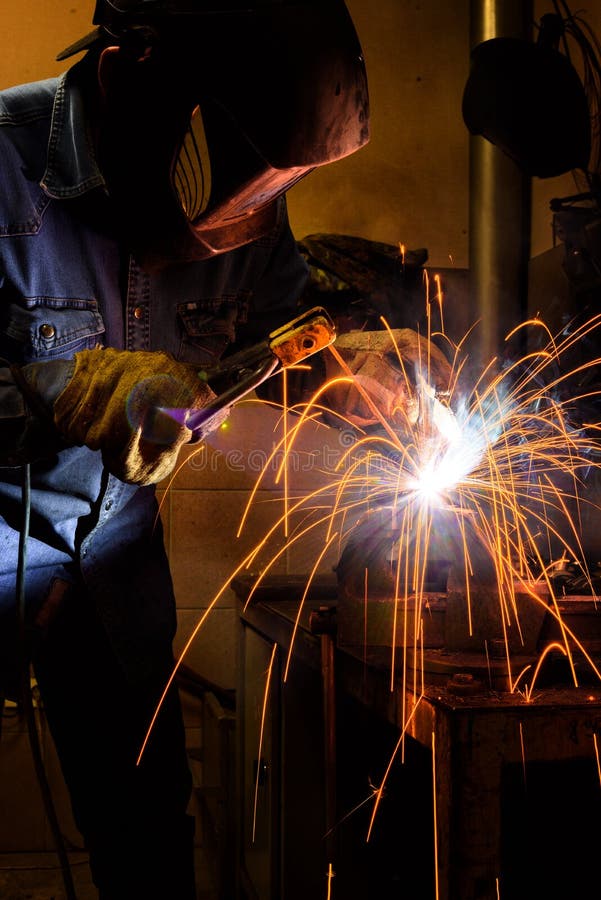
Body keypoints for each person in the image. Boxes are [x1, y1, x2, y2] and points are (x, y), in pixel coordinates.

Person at [0, 2, 450, 897]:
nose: (240, 217)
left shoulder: (240, 199)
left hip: (113, 560)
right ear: (138, 73)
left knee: (146, 829)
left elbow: (276, 330)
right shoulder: (5, 164)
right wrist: (55, 393)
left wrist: (345, 370)